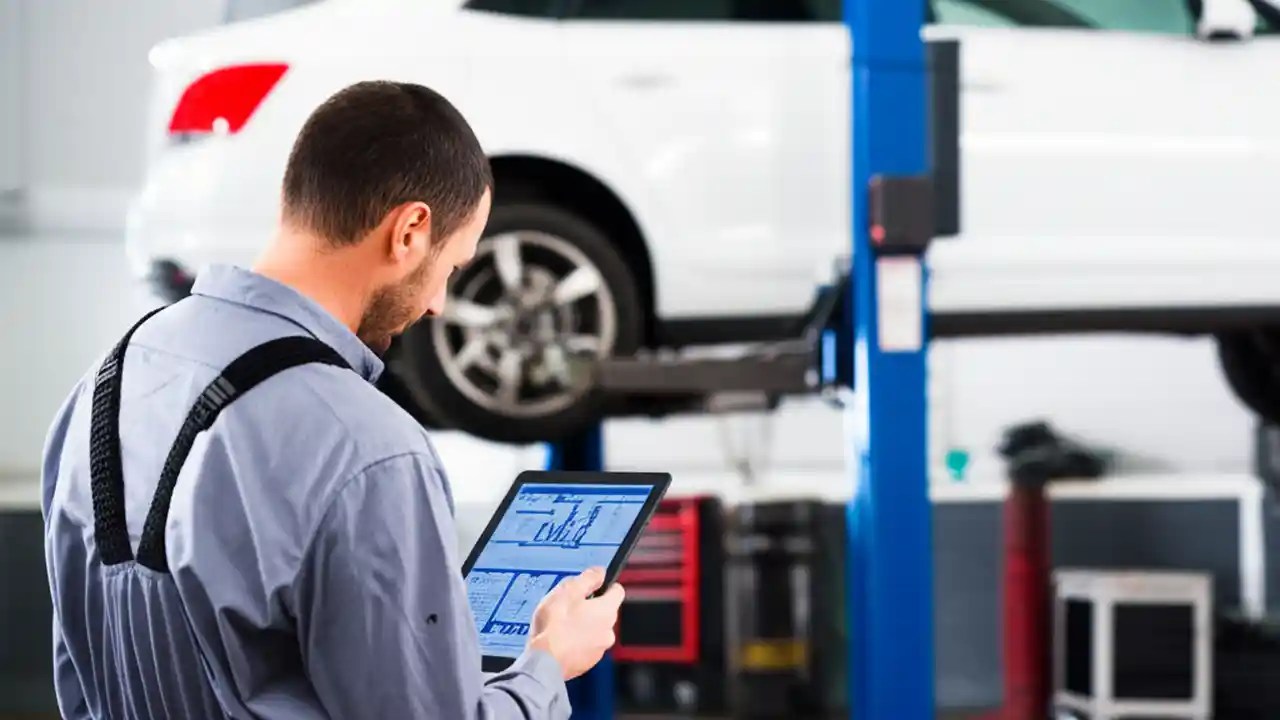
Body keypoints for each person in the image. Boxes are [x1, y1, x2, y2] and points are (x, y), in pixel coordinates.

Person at [41, 80, 623, 719]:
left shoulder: (103, 385)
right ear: (410, 230)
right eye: (450, 270)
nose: (437, 305)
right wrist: (547, 666)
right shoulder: (369, 447)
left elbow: (77, 675)